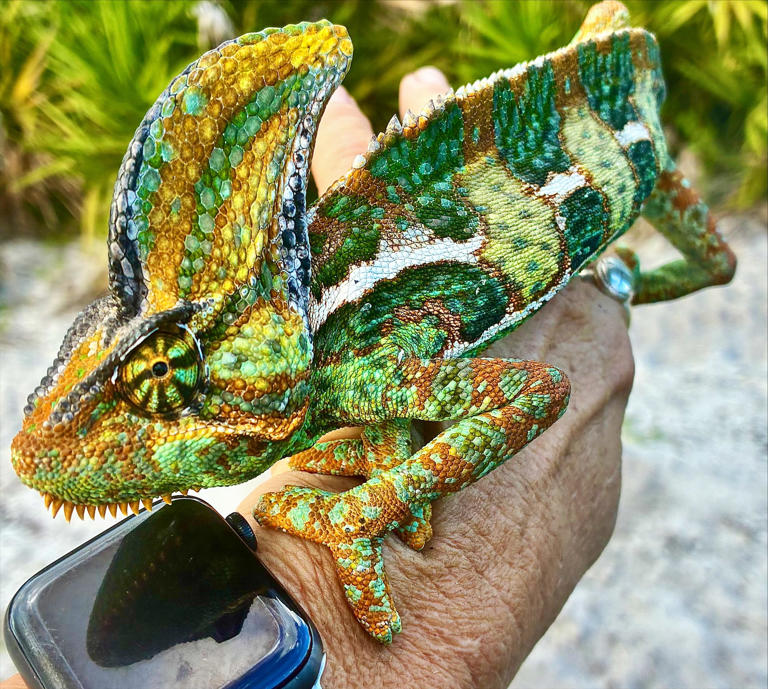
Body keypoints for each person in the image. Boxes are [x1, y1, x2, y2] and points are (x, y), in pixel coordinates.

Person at [1, 66, 632, 689]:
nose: (156, 403)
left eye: (162, 378)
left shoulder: (357, 376)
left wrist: (374, 505)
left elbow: (535, 394)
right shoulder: (339, 373)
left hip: (616, 140)